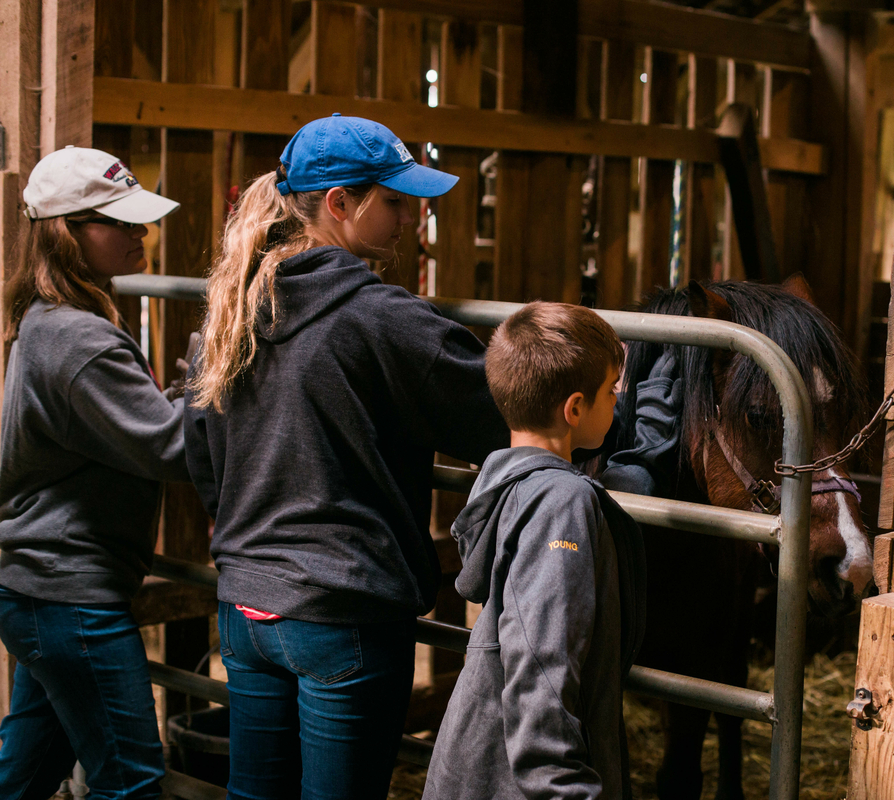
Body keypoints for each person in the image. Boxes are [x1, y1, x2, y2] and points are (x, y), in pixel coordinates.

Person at [183, 113, 509, 800]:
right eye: (394, 201)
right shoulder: (381, 318)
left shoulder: (234, 309)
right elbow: (499, 413)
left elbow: (203, 450)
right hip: (344, 611)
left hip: (246, 607)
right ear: (339, 204)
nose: (410, 219)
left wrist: (251, 541)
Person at [0, 146, 188, 800]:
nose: (143, 232)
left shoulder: (49, 318)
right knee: (131, 780)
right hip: (69, 592)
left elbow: (125, 423)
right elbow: (171, 447)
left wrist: (179, 396)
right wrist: (212, 383)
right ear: (68, 232)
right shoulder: (79, 338)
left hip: (39, 583)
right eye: (121, 221)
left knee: (25, 775)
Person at [424, 301, 647, 800]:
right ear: (574, 408)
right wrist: (563, 788)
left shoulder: (509, 481)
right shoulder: (560, 503)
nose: (618, 401)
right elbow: (541, 663)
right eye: (612, 390)